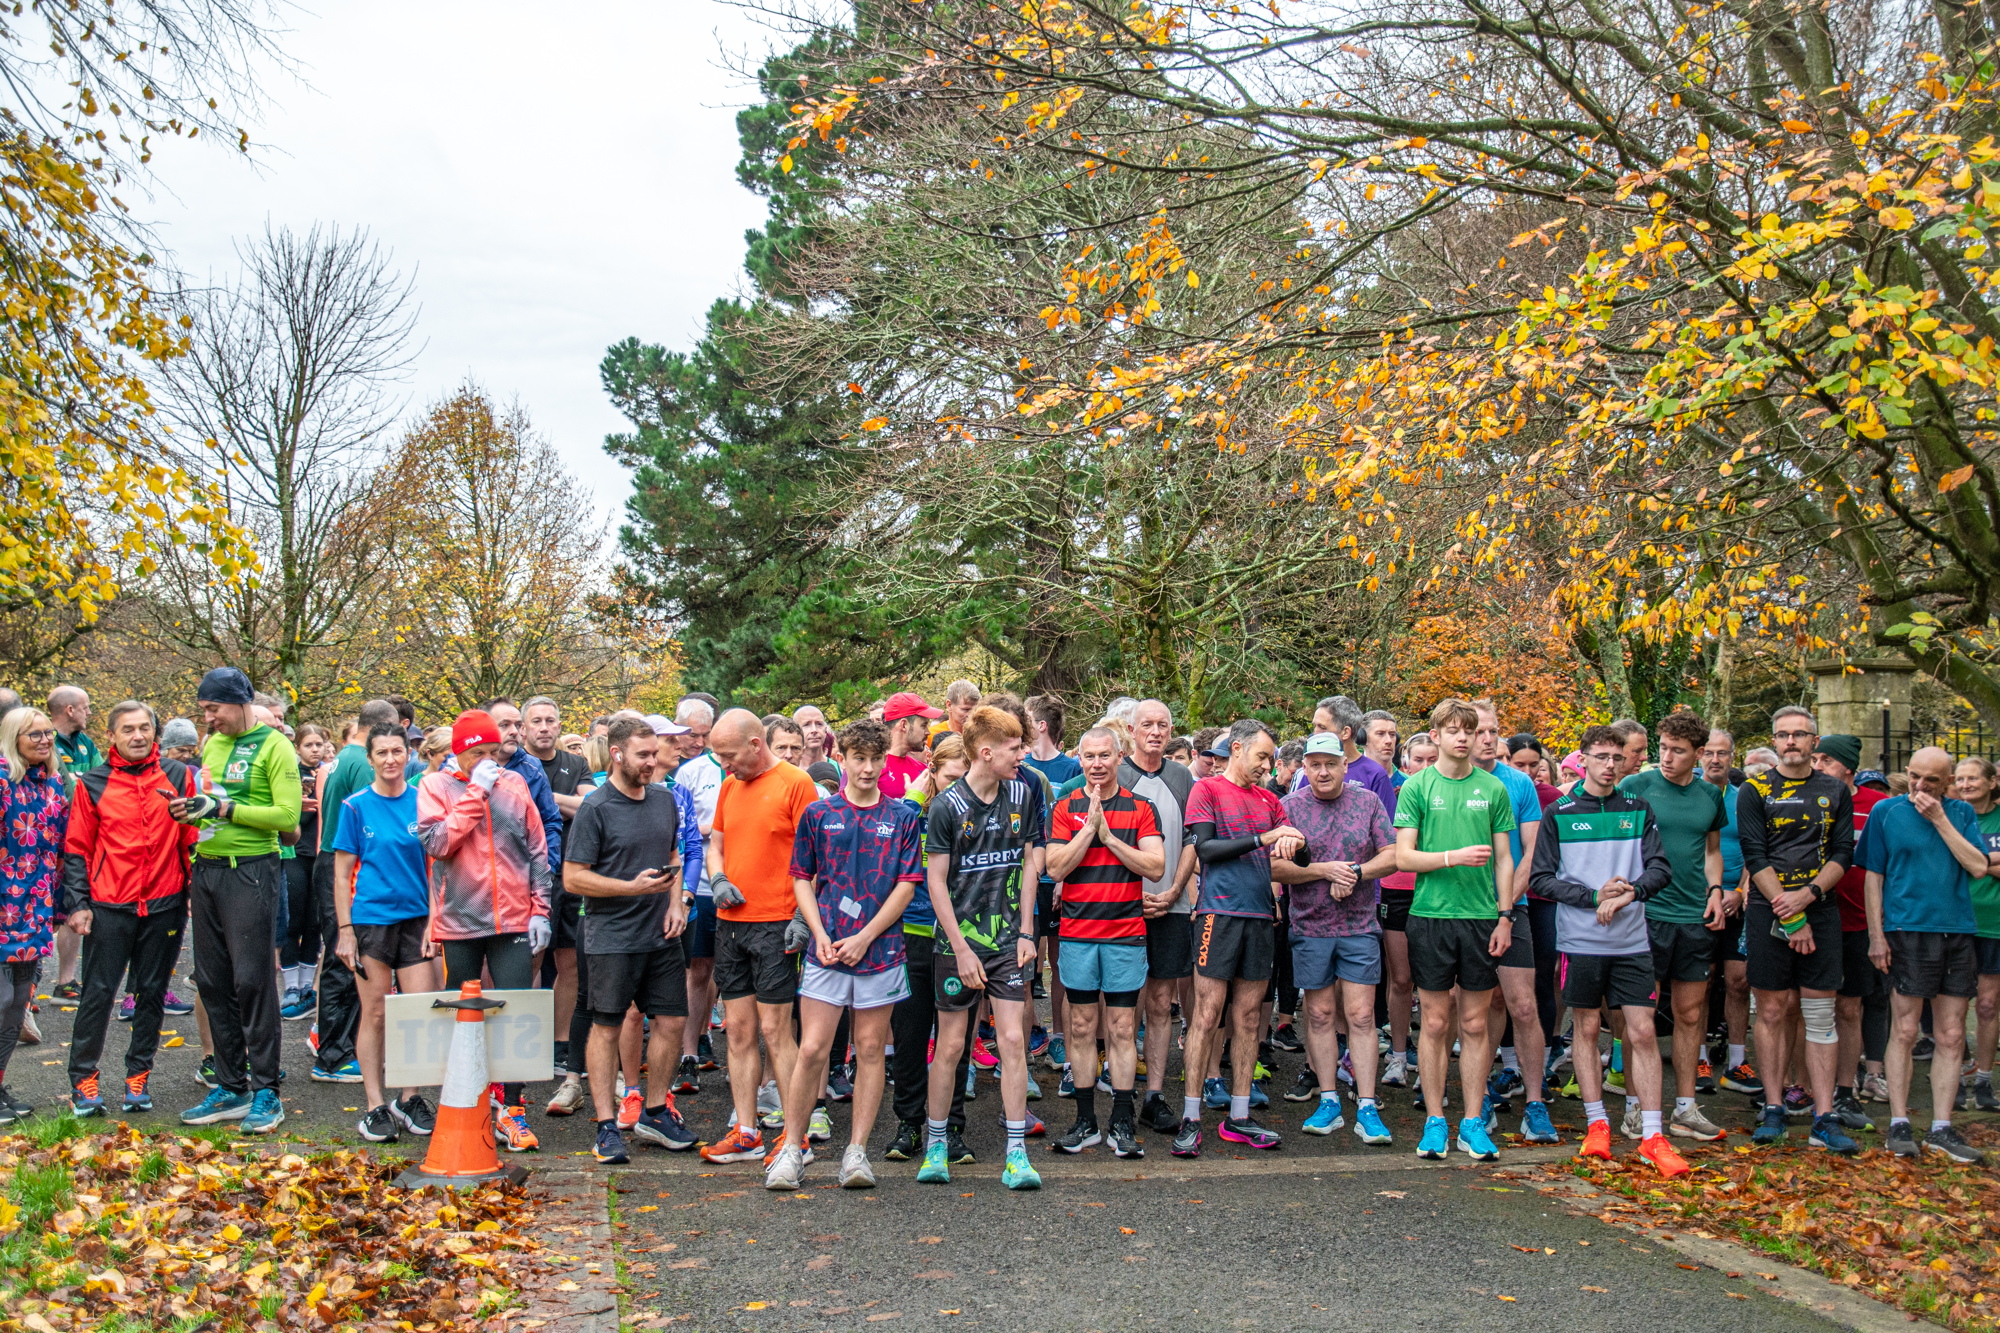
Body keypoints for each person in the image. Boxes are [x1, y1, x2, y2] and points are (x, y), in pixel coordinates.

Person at [766, 718, 922, 1189]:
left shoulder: (903, 817)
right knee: (812, 1047)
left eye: (876, 759)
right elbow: (801, 878)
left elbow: (906, 885)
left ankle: (856, 1153)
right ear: (844, 759)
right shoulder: (819, 813)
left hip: (881, 950)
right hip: (827, 950)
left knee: (871, 1049)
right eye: (859, 758)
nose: (869, 768)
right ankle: (792, 1149)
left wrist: (866, 937)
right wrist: (819, 933)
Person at [1531, 726, 1688, 1177]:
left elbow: (1661, 868)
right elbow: (1541, 878)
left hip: (1633, 941)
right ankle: (1597, 1124)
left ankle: (1653, 1135)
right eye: (1600, 757)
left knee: (1640, 1031)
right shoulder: (1559, 811)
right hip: (1580, 942)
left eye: (1617, 758)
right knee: (1587, 1025)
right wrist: (1593, 897)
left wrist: (1629, 894)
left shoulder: (1639, 808)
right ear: (1583, 759)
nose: (1609, 765)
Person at [914, 705, 1047, 1189]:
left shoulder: (1023, 793)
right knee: (951, 1045)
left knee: (1013, 1040)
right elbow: (935, 882)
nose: (1022, 755)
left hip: (1010, 939)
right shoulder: (947, 806)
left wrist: (1028, 931)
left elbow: (1031, 864)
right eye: (1014, 749)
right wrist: (962, 949)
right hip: (958, 943)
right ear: (986, 752)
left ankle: (1016, 1153)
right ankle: (936, 1143)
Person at [418, 709, 553, 1152]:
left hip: (513, 918)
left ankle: (512, 1109)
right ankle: (465, 1102)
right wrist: (476, 790)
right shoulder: (435, 786)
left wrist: (541, 909)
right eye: (479, 753)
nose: (490, 760)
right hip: (460, 920)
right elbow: (439, 843)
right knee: (461, 1013)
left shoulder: (515, 785)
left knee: (512, 1012)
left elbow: (537, 849)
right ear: (461, 752)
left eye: (494, 752)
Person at [563, 716, 696, 1164]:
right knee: (607, 1026)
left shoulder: (665, 800)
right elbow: (574, 878)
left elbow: (674, 855)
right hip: (611, 937)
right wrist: (630, 888)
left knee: (673, 1022)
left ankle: (655, 1110)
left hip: (661, 934)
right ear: (616, 754)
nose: (651, 762)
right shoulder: (595, 808)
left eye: (654, 754)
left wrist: (677, 903)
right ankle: (605, 1125)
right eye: (643, 755)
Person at [174, 668, 301, 1134]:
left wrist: (226, 809)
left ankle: (267, 1090)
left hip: (251, 871)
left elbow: (287, 818)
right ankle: (231, 1085)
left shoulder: (274, 745)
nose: (208, 718)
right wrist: (191, 813)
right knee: (212, 981)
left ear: (240, 702)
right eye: (204, 709)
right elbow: (211, 804)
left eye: (215, 709)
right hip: (206, 867)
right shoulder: (213, 744)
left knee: (252, 980)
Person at [60, 701, 198, 1117]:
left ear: (155, 734)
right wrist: (79, 904)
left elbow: (190, 839)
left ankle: (138, 1078)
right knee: (99, 993)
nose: (138, 736)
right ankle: (83, 1080)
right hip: (109, 905)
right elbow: (77, 848)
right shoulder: (93, 783)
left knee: (151, 994)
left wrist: (194, 891)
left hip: (165, 903)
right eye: (128, 730)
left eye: (144, 728)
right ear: (112, 736)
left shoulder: (178, 775)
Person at [1394, 697, 1515, 1162]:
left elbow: (1506, 859)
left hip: (1482, 918)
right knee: (1437, 1021)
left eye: (1470, 729)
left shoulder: (1494, 788)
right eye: (1454, 729)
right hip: (1430, 917)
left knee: (1475, 1022)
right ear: (1436, 735)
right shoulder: (1417, 787)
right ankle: (1434, 1121)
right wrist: (1452, 857)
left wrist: (1506, 916)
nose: (1464, 737)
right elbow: (1404, 857)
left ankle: (1472, 1122)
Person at [1173, 719, 1302, 1158]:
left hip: (1260, 916)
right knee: (1207, 1015)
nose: (1267, 766)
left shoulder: (1270, 798)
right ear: (1239, 748)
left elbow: (1298, 848)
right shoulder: (1206, 789)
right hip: (1218, 914)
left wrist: (1295, 841)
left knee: (1248, 1018)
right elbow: (1205, 850)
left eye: (1271, 759)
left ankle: (1240, 1115)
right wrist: (1266, 838)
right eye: (1262, 757)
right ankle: (1191, 1117)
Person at [699, 708, 821, 1165]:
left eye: (729, 755)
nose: (724, 765)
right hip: (732, 921)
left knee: (775, 1029)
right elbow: (718, 844)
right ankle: (747, 1130)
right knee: (739, 1030)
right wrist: (717, 879)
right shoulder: (731, 784)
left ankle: (796, 1137)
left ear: (755, 744)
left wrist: (804, 918)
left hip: (778, 923)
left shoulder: (796, 783)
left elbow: (815, 856)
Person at [1861, 747, 1992, 1164]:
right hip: (1905, 929)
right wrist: (1876, 935)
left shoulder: (1961, 813)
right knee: (1905, 1028)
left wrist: (1939, 818)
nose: (1920, 786)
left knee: (1952, 1034)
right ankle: (1899, 1122)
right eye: (1914, 776)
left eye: (1931, 780)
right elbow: (1873, 877)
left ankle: (1941, 1126)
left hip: (1956, 929)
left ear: (1948, 780)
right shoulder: (1886, 812)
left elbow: (1976, 865)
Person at [1736, 704, 1857, 1152]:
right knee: (1770, 1011)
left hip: (1820, 908)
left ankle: (1825, 1116)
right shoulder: (1754, 789)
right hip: (1769, 909)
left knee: (1820, 1013)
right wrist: (1790, 914)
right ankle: (1773, 1108)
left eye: (1799, 735)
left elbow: (1843, 853)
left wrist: (1807, 899)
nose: (1790, 742)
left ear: (1814, 742)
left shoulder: (1835, 791)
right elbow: (1754, 854)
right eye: (1783, 734)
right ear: (1774, 740)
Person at [1043, 725, 1165, 1158]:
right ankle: (1084, 1120)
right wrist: (1087, 830)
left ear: (1119, 757)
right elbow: (1055, 869)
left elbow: (1154, 866)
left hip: (1125, 935)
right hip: (1077, 935)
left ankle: (1122, 1120)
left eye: (1105, 756)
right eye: (1089, 757)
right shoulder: (1064, 806)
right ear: (1080, 759)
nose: (1097, 764)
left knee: (1121, 1028)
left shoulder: (1141, 807)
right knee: (1079, 1026)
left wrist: (1110, 836)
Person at [1274, 732, 1399, 1144]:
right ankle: (1328, 1099)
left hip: (1359, 926)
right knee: (1321, 1014)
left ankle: (1366, 1104)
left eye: (1331, 763)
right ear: (1303, 768)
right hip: (1309, 927)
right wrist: (1325, 870)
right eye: (1315, 764)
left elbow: (1391, 855)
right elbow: (1276, 869)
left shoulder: (1368, 802)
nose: (1323, 771)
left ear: (1345, 764)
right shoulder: (1288, 808)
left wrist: (1356, 872)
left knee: (1362, 1016)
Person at [1618, 709, 1730, 1142]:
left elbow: (1712, 849)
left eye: (1677, 751)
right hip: (1645, 915)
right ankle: (1634, 1107)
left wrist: (1716, 889)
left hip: (1693, 916)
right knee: (1639, 1018)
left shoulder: (1709, 795)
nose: (1666, 757)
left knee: (1689, 1013)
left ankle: (1685, 1107)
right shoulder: (1636, 785)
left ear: (1698, 754)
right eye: (1662, 747)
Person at [331, 723, 439, 1144]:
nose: (391, 760)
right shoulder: (356, 806)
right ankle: (375, 1104)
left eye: (398, 751)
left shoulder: (423, 802)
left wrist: (435, 920)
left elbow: (436, 869)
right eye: (382, 753)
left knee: (417, 1013)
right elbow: (341, 875)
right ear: (371, 758)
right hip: (371, 921)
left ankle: (409, 1098)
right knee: (375, 1013)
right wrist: (345, 931)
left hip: (417, 921)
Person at [884, 732, 976, 1163]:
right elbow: (881, 852)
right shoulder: (910, 812)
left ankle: (952, 1127)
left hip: (960, 942)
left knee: (953, 1043)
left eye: (965, 777)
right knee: (909, 1038)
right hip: (911, 938)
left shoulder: (977, 812)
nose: (956, 788)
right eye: (949, 778)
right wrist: (910, 799)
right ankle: (908, 1124)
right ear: (931, 773)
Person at [1469, 699, 1554, 1143]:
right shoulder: (1446, 781)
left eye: (1493, 731)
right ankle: (1477, 1096)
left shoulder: (1519, 784)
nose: (1486, 738)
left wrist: (1506, 907)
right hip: (1460, 912)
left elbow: (1532, 853)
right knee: (1479, 1009)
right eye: (1479, 730)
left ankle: (1535, 1102)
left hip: (1510, 909)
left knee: (1523, 1005)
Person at [311, 700, 400, 1084]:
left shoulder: (343, 758)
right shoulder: (361, 765)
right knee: (344, 962)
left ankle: (336, 1044)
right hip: (343, 864)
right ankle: (332, 1054)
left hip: (332, 858)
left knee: (344, 962)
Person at [1121, 700, 1199, 1133]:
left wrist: (1172, 893)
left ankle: (1153, 1094)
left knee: (1159, 1002)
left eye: (1163, 725)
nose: (1155, 731)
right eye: (1147, 724)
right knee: (1123, 1002)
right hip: (1124, 907)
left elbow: (1192, 841)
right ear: (1131, 729)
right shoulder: (1117, 774)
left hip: (1172, 905)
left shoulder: (1182, 777)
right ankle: (1121, 1091)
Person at [1813, 733, 1889, 1131]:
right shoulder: (1804, 796)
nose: (1818, 765)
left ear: (1847, 768)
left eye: (1826, 759)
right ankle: (1803, 1087)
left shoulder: (1878, 807)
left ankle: (1846, 1090)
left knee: (1849, 1007)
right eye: (1815, 758)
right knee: (1804, 1008)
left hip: (1858, 922)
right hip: (1809, 919)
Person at [523, 695, 596, 1079]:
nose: (545, 727)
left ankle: (560, 1042)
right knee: (531, 960)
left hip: (571, 872)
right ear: (524, 728)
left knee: (569, 962)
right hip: (528, 875)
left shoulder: (576, 763)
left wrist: (546, 798)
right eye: (536, 720)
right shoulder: (515, 764)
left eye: (551, 720)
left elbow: (589, 806)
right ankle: (527, 1042)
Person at [0, 709, 66, 1122]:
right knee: (1, 999)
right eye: (33, 734)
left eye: (49, 734)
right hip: (4, 906)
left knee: (17, 1005)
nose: (44, 740)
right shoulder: (3, 781)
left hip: (36, 908)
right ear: (13, 737)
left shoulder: (55, 784)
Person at [1700, 728, 1760, 1098]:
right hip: (1700, 901)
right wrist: (1713, 890)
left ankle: (1737, 1062)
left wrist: (1739, 891)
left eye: (1723, 753)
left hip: (1739, 902)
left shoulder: (1745, 799)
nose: (1715, 760)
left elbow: (1757, 850)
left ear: (1732, 758)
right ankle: (1699, 1058)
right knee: (1700, 981)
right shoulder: (1690, 796)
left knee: (1739, 981)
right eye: (1709, 752)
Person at [670, 697, 725, 1084]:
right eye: (694, 734)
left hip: (742, 886)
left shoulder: (749, 770)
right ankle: (690, 1049)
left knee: (729, 970)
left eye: (707, 734)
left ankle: (707, 1033)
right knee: (698, 968)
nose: (700, 741)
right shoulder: (691, 772)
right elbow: (683, 831)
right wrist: (708, 831)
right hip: (703, 885)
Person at [1954, 758, 2000, 1112]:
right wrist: (1989, 862)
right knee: (1953, 1008)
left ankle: (1984, 1080)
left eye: (1973, 778)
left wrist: (1978, 861)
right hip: (1955, 921)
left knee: (1987, 1005)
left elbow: (1973, 863)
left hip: (1994, 924)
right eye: (1960, 779)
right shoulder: (1951, 815)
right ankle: (1953, 1077)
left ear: (1991, 782)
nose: (1966, 784)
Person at [280, 723, 334, 1020]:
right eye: (309, 745)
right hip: (296, 855)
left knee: (316, 923)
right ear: (297, 748)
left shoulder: (330, 774)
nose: (315, 750)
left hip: (320, 856)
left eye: (319, 744)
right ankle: (290, 986)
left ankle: (306, 986)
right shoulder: (290, 775)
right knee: (294, 921)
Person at [480, 698, 564, 882]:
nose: (513, 732)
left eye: (517, 725)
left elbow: (550, 821)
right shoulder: (462, 767)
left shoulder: (531, 767)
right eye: (504, 725)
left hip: (522, 879)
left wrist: (547, 869)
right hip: (476, 882)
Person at [879, 692, 942, 799]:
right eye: (923, 725)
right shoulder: (871, 770)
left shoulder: (923, 771)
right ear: (904, 725)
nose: (928, 732)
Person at [1023, 695, 1082, 788]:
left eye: (1026, 720)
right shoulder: (1020, 765)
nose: (1021, 724)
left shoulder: (1073, 769)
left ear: (1041, 725)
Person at [929, 680, 980, 747]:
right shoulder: (931, 736)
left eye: (974, 710)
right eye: (966, 709)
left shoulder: (981, 736)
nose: (971, 715)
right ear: (949, 705)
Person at [793, 705, 836, 770]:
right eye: (806, 724)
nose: (814, 730)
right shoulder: (788, 769)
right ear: (795, 731)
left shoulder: (839, 770)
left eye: (819, 724)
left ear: (825, 729)